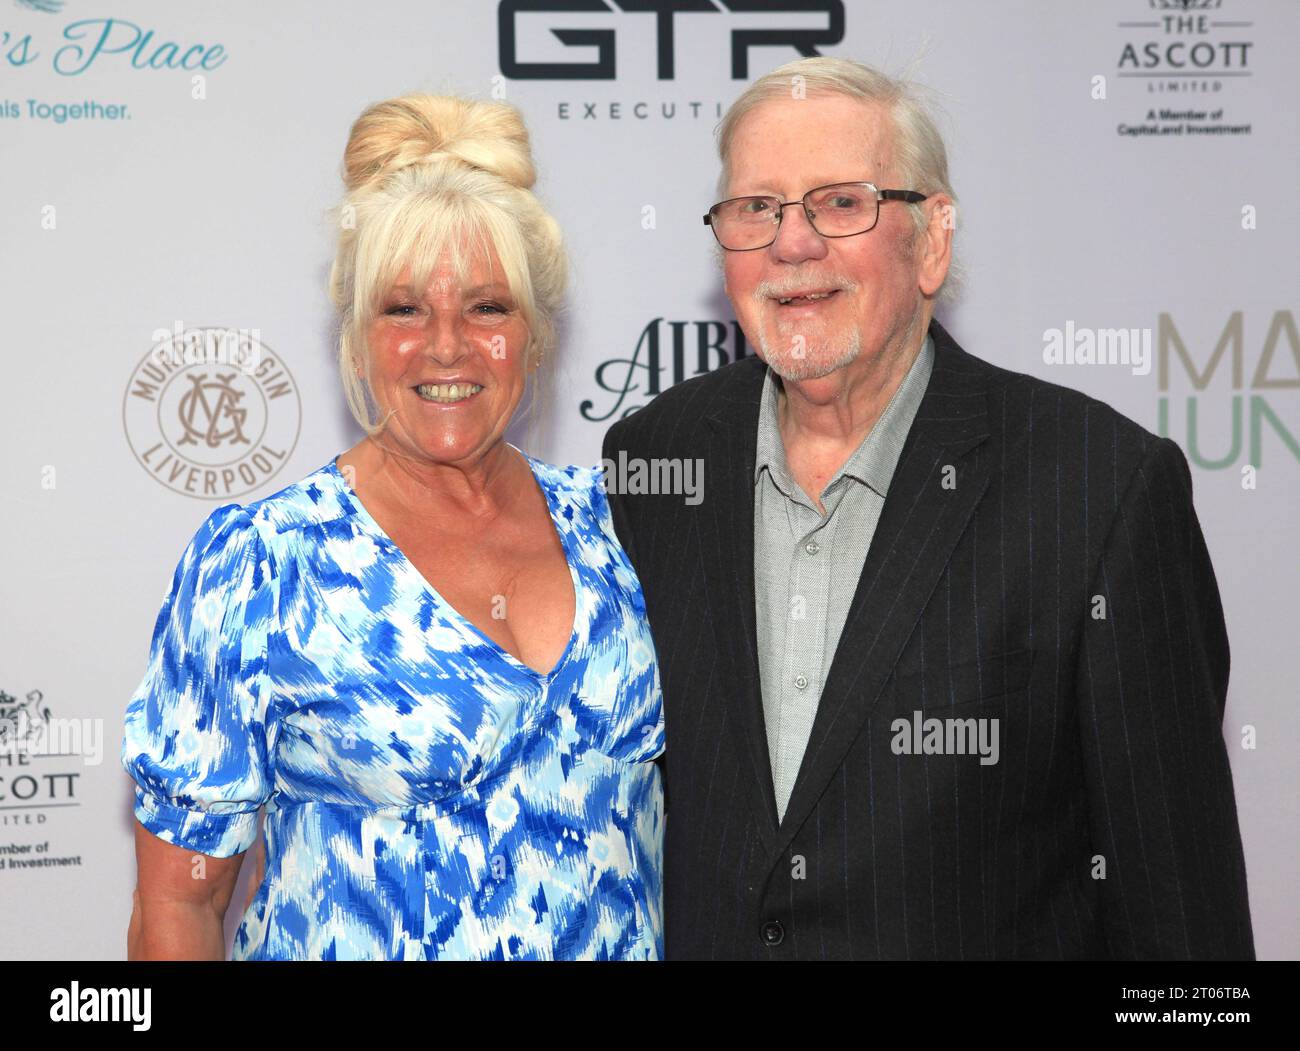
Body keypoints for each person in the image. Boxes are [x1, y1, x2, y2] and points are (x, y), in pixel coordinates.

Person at [601, 57, 1254, 959]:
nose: (792, 245)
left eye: (839, 203)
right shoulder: (652, 465)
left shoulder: (1098, 490)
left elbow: (1184, 922)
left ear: (932, 240)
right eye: (757, 209)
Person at [122, 93, 664, 961]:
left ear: (535, 335)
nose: (445, 344)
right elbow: (176, 911)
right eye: (403, 309)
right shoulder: (262, 563)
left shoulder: (620, 527)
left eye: (488, 307)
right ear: (357, 334)